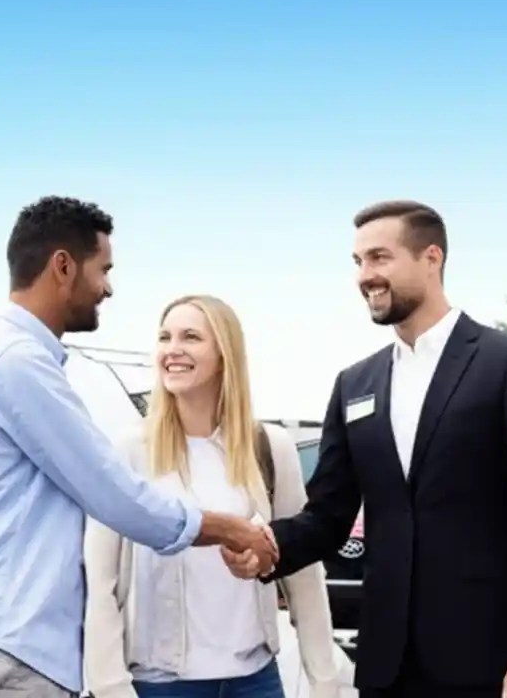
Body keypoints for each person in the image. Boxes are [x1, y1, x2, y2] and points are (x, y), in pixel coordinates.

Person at [0, 197, 280, 698]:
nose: (108, 287)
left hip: (2, 651)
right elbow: (115, 495)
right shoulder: (17, 364)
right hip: (6, 652)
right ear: (63, 266)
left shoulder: (2, 356)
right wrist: (230, 528)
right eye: (103, 269)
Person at [227, 200, 507, 698]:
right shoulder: (356, 384)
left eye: (379, 258)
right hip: (387, 662)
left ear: (431, 258)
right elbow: (327, 515)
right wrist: (267, 550)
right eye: (358, 262)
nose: (365, 276)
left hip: (489, 661)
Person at [83, 294, 339, 698]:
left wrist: (326, 686)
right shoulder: (130, 451)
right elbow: (101, 584)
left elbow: (303, 575)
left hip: (255, 681)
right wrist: (110, 688)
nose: (173, 350)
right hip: (160, 686)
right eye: (164, 337)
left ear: (225, 355)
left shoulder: (270, 448)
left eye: (190, 337)